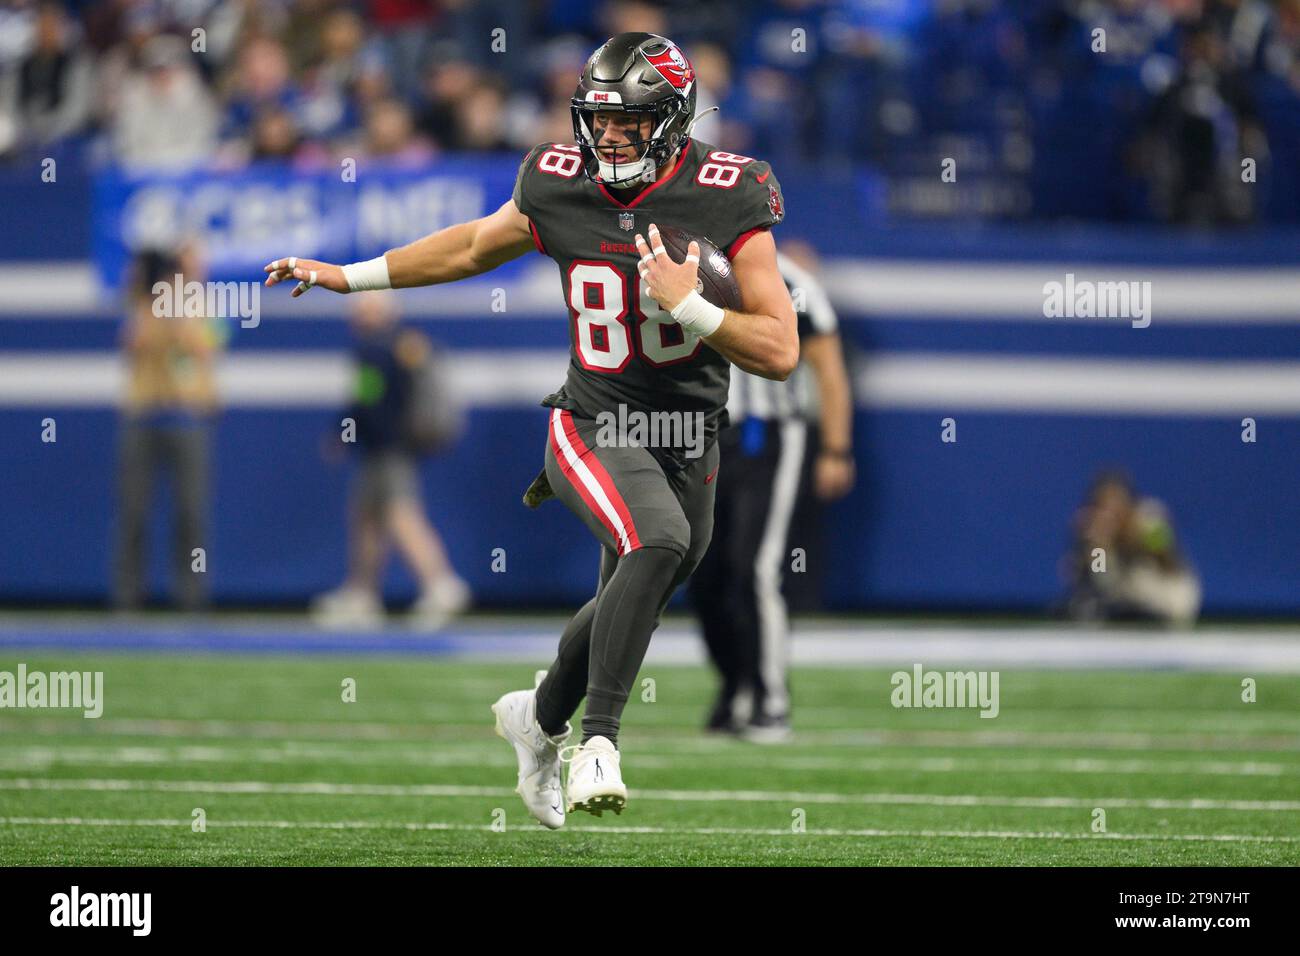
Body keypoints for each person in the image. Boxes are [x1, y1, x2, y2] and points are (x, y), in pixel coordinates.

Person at [264, 33, 796, 826]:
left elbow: (781, 350)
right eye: (600, 121)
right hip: (593, 423)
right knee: (658, 543)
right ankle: (599, 742)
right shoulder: (557, 181)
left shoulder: (729, 190)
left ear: (676, 120)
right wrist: (351, 275)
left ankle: (536, 718)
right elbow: (475, 246)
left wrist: (693, 305)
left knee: (645, 583)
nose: (609, 139)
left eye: (631, 123)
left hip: (692, 431)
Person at [689, 240, 855, 742]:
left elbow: (828, 367)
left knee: (754, 568)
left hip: (771, 437)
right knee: (702, 573)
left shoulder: (793, 281)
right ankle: (735, 684)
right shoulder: (683, 266)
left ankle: (769, 701)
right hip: (699, 438)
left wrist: (836, 448)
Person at [311, 291, 470, 631]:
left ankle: (441, 584)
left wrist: (343, 432)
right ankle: (361, 593)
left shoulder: (375, 350)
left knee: (401, 515)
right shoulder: (404, 345)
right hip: (391, 446)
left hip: (386, 448)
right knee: (366, 517)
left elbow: (366, 400)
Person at [114, 245, 222, 611]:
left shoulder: (204, 304)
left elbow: (207, 348)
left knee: (191, 511)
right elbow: (134, 343)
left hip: (188, 416)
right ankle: (128, 598)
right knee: (134, 511)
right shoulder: (141, 303)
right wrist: (152, 301)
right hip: (144, 414)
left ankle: (190, 598)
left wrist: (180, 310)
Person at [1063, 470, 1201, 626]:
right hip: (1119, 602)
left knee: (1140, 579)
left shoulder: (1150, 517)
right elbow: (1100, 583)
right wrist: (1097, 548)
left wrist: (1135, 538)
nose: (1111, 511)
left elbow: (1167, 561)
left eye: (1115, 502)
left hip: (1167, 597)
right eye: (1103, 504)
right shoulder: (1096, 533)